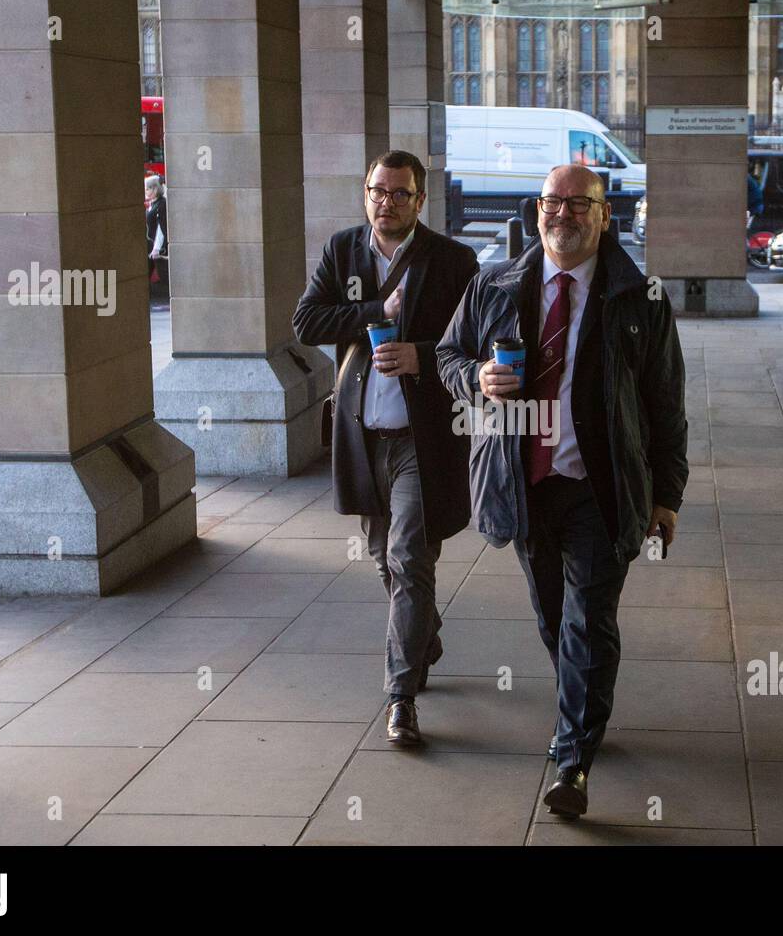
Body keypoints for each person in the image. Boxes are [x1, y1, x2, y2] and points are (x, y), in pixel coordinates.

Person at [437, 164, 689, 818]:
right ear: (538, 209)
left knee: (587, 620)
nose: (565, 214)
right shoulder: (495, 284)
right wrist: (478, 378)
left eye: (582, 204)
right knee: (554, 618)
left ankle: (572, 759)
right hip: (524, 489)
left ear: (605, 215)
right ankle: (583, 703)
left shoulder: (643, 297)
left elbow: (666, 404)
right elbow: (447, 356)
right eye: (555, 202)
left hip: (601, 491)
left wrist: (668, 495)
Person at [294, 150, 479, 747]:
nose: (386, 201)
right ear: (364, 192)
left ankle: (400, 698)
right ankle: (422, 634)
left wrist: (420, 353)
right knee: (384, 559)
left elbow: (473, 340)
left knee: (407, 557)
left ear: (420, 200)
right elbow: (307, 322)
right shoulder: (343, 250)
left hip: (422, 442)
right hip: (360, 435)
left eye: (400, 193)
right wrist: (377, 312)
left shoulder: (453, 261)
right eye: (377, 190)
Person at [145, 174, 167, 277]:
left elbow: (161, 228)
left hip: (156, 246)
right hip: (150, 242)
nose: (146, 191)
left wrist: (156, 248)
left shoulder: (161, 204)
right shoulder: (152, 203)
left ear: (155, 189)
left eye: (148, 189)